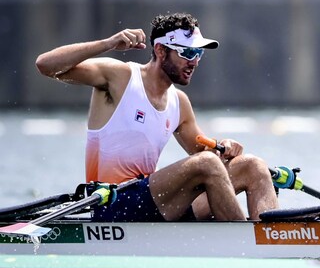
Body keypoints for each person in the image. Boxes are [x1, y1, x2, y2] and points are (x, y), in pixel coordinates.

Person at [35, 13, 278, 221]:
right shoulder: (119, 77)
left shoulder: (179, 102)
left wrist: (226, 147)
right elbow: (45, 65)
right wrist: (108, 43)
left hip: (153, 202)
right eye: (187, 52)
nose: (194, 61)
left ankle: (275, 241)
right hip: (112, 204)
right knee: (208, 164)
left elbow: (205, 155)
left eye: (198, 54)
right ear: (161, 50)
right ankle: (245, 244)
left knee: (253, 166)